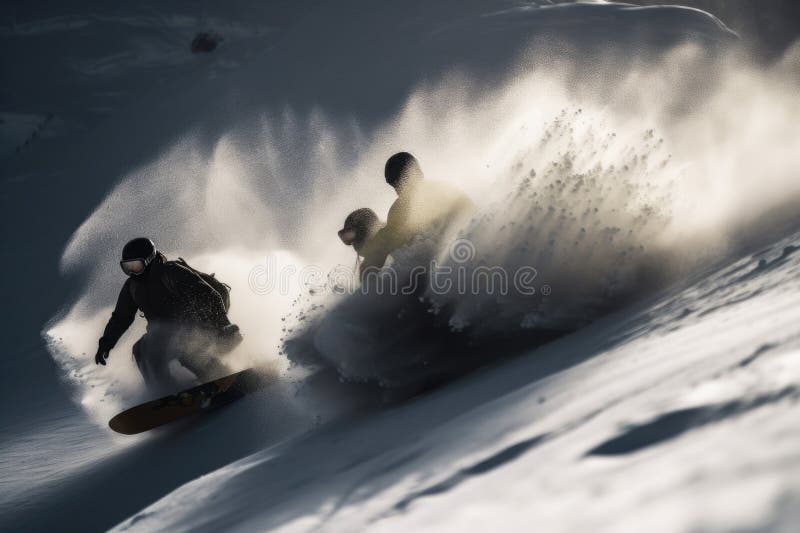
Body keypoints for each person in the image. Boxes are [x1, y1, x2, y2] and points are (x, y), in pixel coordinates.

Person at [94, 237, 242, 393]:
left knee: (185, 345)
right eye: (127, 267)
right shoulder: (132, 287)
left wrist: (222, 324)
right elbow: (121, 318)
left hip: (196, 324)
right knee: (141, 351)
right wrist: (106, 343)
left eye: (136, 266)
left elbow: (207, 295)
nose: (132, 271)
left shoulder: (171, 272)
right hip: (165, 333)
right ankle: (163, 392)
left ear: (149, 260)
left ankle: (221, 377)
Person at [356, 152, 475, 275]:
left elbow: (388, 240)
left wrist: (365, 249)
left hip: (449, 262)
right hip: (464, 252)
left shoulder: (405, 205)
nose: (396, 189)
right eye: (393, 185)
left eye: (395, 183)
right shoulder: (444, 188)